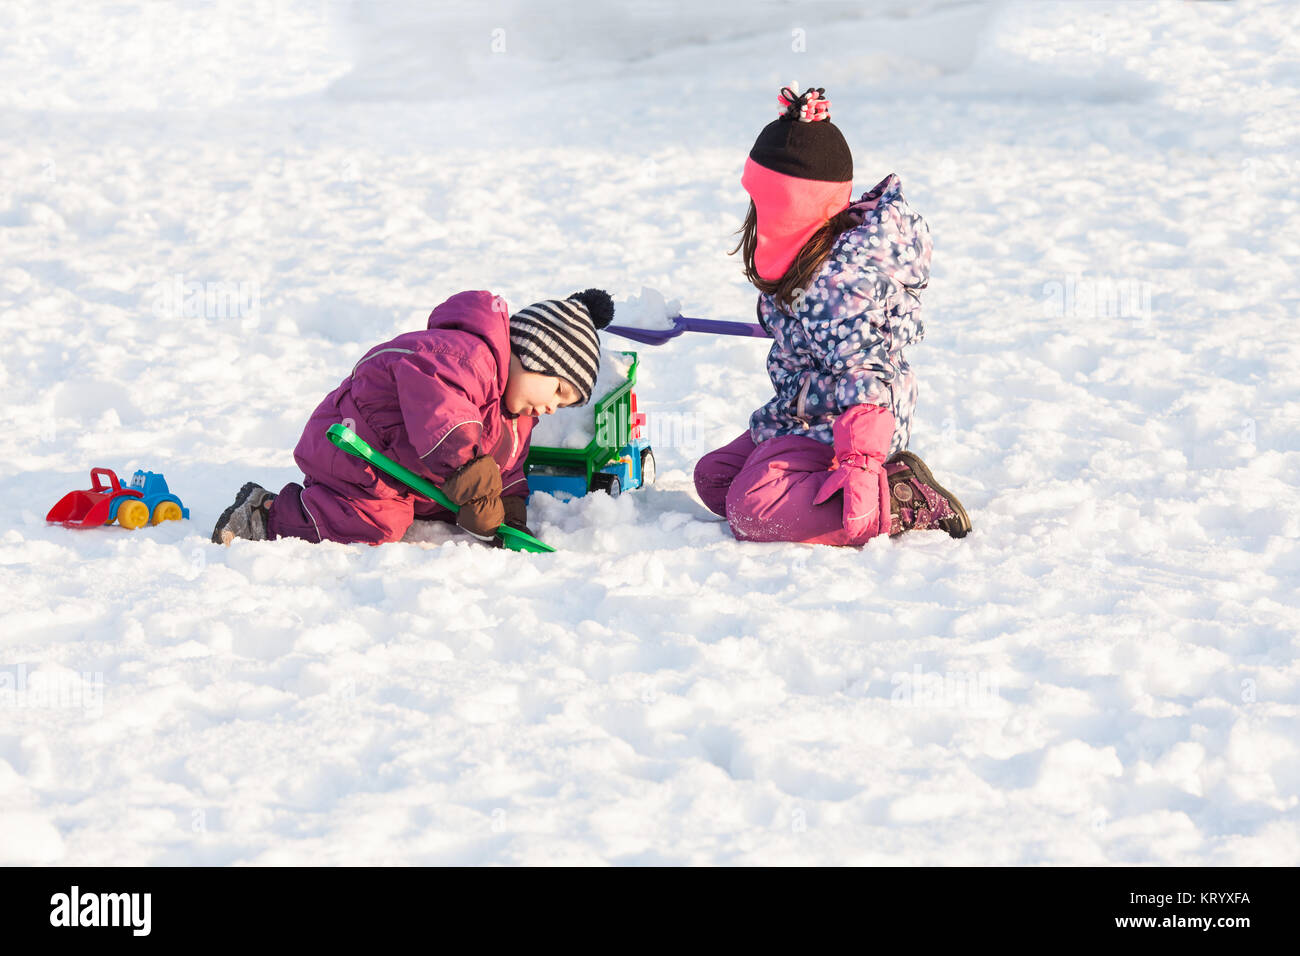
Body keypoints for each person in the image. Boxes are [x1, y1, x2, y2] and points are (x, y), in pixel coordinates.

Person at [694, 85, 970, 545]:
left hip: (849, 423)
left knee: (752, 508)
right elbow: (818, 337)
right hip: (803, 412)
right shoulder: (806, 258)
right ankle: (822, 493)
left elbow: (866, 373)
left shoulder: (838, 285)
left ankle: (900, 497)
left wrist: (859, 462)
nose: (758, 215)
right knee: (716, 479)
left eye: (769, 202)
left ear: (794, 206)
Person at [212, 288, 614, 546]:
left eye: (562, 407)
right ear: (534, 355)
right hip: (358, 451)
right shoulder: (463, 357)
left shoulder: (516, 417)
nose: (550, 409)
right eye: (558, 391)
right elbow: (445, 414)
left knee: (449, 506)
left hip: (408, 469)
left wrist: (507, 512)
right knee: (380, 522)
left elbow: (505, 470)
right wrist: (476, 487)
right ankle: (267, 514)